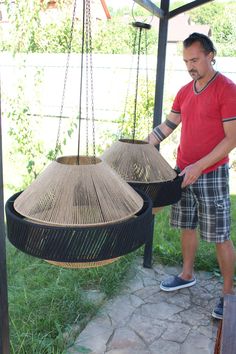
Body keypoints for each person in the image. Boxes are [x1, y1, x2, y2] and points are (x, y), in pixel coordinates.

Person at [148, 32, 236, 320]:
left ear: (210, 55)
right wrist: (142, 144)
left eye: (195, 59)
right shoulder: (185, 91)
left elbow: (231, 139)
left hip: (210, 172)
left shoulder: (227, 89)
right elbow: (169, 125)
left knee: (220, 235)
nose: (190, 66)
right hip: (183, 170)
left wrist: (200, 165)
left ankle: (228, 294)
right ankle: (187, 274)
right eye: (186, 61)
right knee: (187, 226)